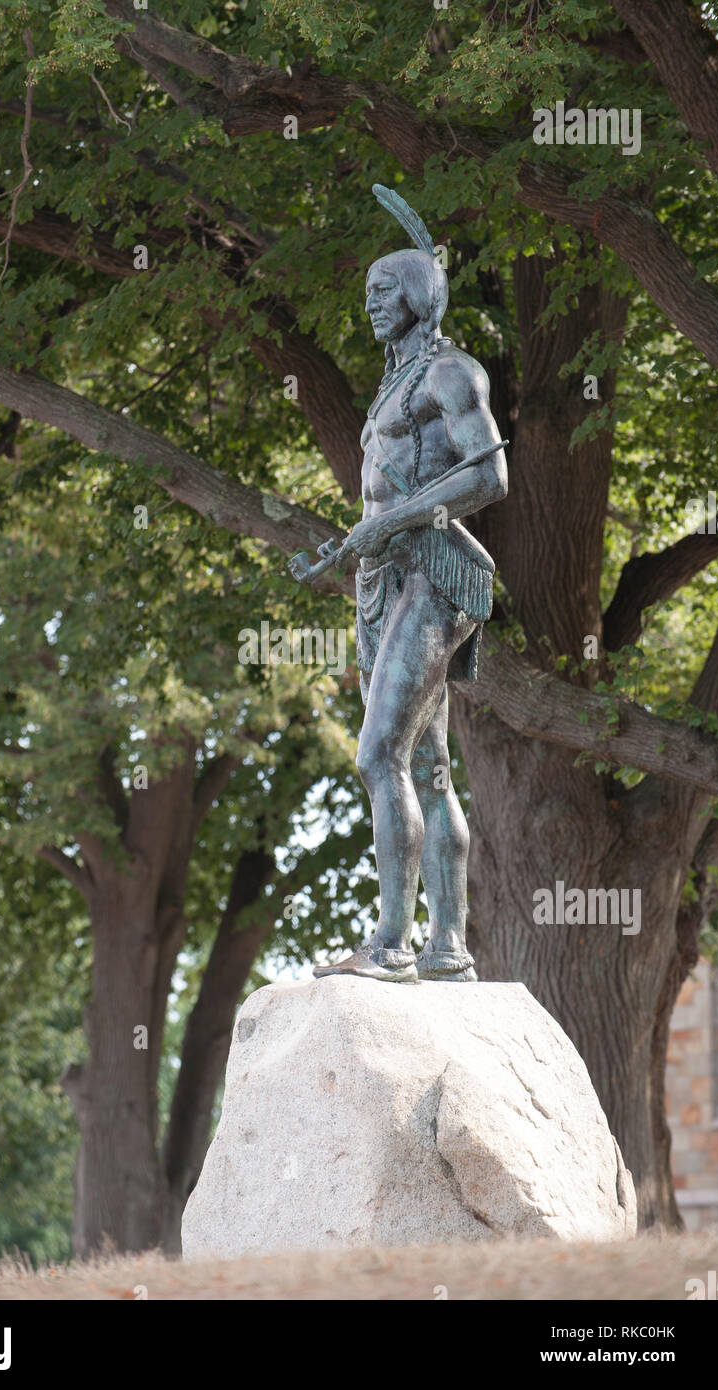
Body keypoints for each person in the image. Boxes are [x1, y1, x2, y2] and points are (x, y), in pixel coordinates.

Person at [313, 231, 507, 983]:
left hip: (434, 571)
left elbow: (488, 477)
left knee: (377, 753)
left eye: (385, 289)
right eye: (366, 290)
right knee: (426, 770)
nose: (370, 303)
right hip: (384, 578)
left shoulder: (451, 373)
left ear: (422, 295)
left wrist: (395, 520)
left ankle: (391, 945)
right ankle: (448, 951)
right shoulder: (393, 386)